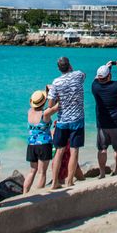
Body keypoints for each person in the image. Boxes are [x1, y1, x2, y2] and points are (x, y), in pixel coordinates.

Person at [91, 61, 117, 178]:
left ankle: (102, 173)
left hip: (102, 124)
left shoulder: (95, 87)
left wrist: (105, 66)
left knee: (102, 149)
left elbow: (97, 78)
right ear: (109, 76)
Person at [48, 57, 85, 189]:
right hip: (77, 120)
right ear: (69, 65)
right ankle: (69, 181)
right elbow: (83, 76)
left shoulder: (56, 82)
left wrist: (59, 98)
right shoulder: (78, 75)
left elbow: (50, 104)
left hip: (62, 120)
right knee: (74, 151)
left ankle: (54, 182)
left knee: (59, 151)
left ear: (59, 68)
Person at [23, 90, 58, 194]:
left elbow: (40, 104)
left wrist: (45, 95)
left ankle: (24, 193)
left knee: (32, 171)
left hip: (31, 145)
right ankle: (39, 194)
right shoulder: (45, 114)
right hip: (44, 145)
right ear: (44, 102)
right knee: (42, 173)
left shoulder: (29, 111)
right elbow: (57, 106)